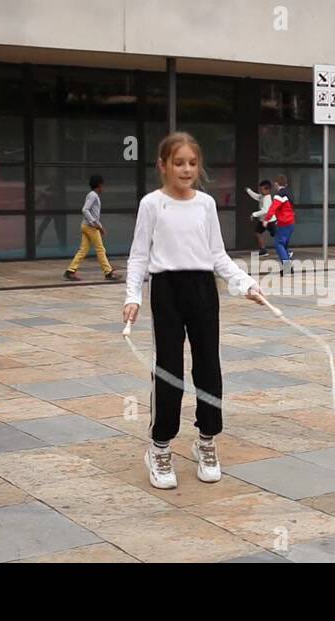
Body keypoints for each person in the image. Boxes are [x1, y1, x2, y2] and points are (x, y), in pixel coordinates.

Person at [123, 132, 265, 490]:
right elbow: (139, 255)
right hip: (167, 291)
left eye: (192, 162)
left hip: (203, 290)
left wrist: (245, 283)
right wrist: (132, 297)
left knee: (208, 368)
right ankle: (159, 446)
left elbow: (217, 255)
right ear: (163, 165)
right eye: (179, 162)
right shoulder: (151, 204)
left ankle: (206, 440)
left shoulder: (205, 204)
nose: (186, 169)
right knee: (168, 371)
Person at [64, 175, 119, 281]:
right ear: (99, 185)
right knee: (100, 249)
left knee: (83, 250)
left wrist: (100, 226)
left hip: (86, 225)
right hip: (90, 227)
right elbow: (85, 210)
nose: (103, 188)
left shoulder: (92, 195)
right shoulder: (93, 195)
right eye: (102, 185)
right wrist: (95, 224)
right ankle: (108, 272)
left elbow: (92, 212)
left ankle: (70, 270)